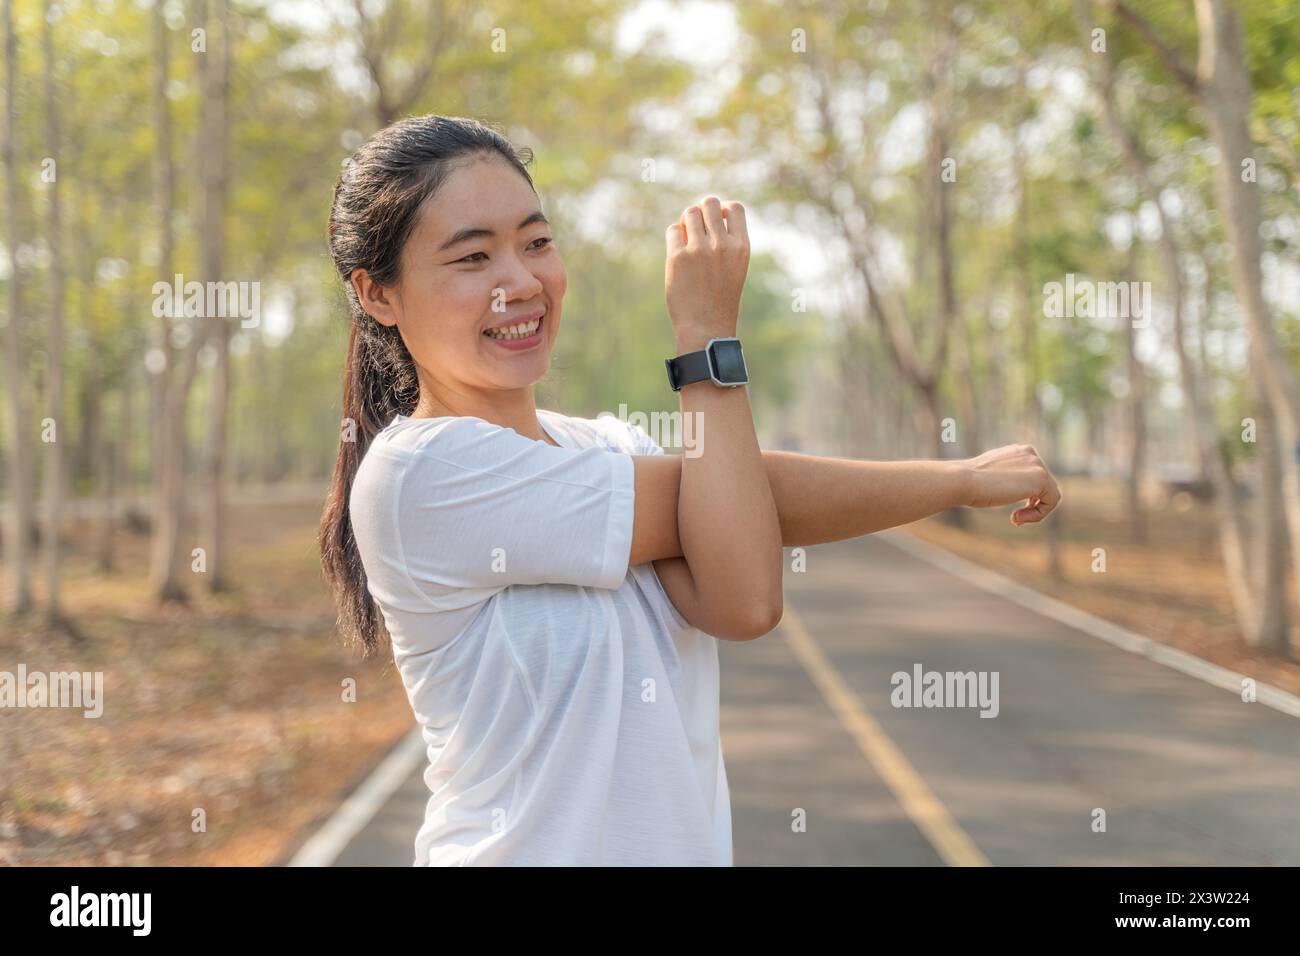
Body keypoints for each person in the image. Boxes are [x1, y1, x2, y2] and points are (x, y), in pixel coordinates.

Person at [318, 113, 1060, 866]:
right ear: (378, 294)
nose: (521, 281)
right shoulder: (424, 473)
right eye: (472, 257)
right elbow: (740, 490)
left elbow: (742, 597)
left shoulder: (611, 444)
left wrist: (962, 479)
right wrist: (707, 338)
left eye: (536, 242)